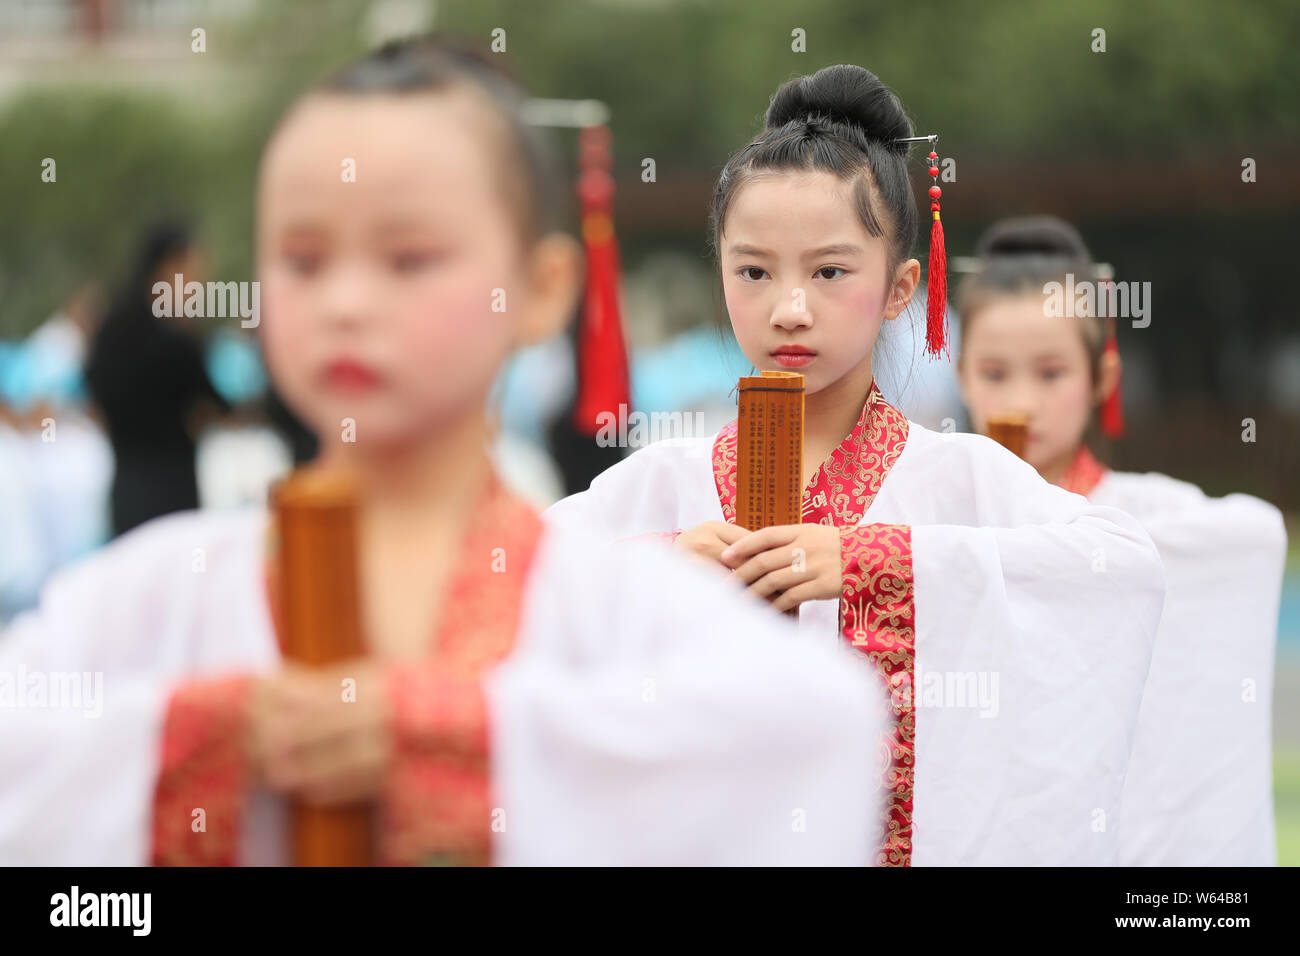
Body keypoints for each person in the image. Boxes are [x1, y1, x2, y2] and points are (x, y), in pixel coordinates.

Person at [0, 35, 882, 867]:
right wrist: (216, 733)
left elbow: (820, 733)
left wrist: (442, 734)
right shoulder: (156, 591)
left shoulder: (611, 601)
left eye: (409, 257)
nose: (346, 300)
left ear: (541, 290)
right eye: (303, 260)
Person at [542, 64, 1167, 866]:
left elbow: (1121, 568)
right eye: (754, 270)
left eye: (830, 272)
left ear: (903, 285)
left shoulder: (961, 477)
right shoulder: (659, 481)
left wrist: (878, 560)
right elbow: (509, 583)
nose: (789, 308)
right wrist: (659, 568)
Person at [954, 215, 1287, 865]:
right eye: (995, 374)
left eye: (1050, 373)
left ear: (1101, 377)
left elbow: (1253, 538)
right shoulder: (936, 513)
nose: (1020, 400)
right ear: (961, 375)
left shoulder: (1152, 516)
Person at [85, 222, 231, 536]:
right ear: (171, 266)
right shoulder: (175, 340)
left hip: (127, 493)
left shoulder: (111, 330)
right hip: (171, 495)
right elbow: (214, 407)